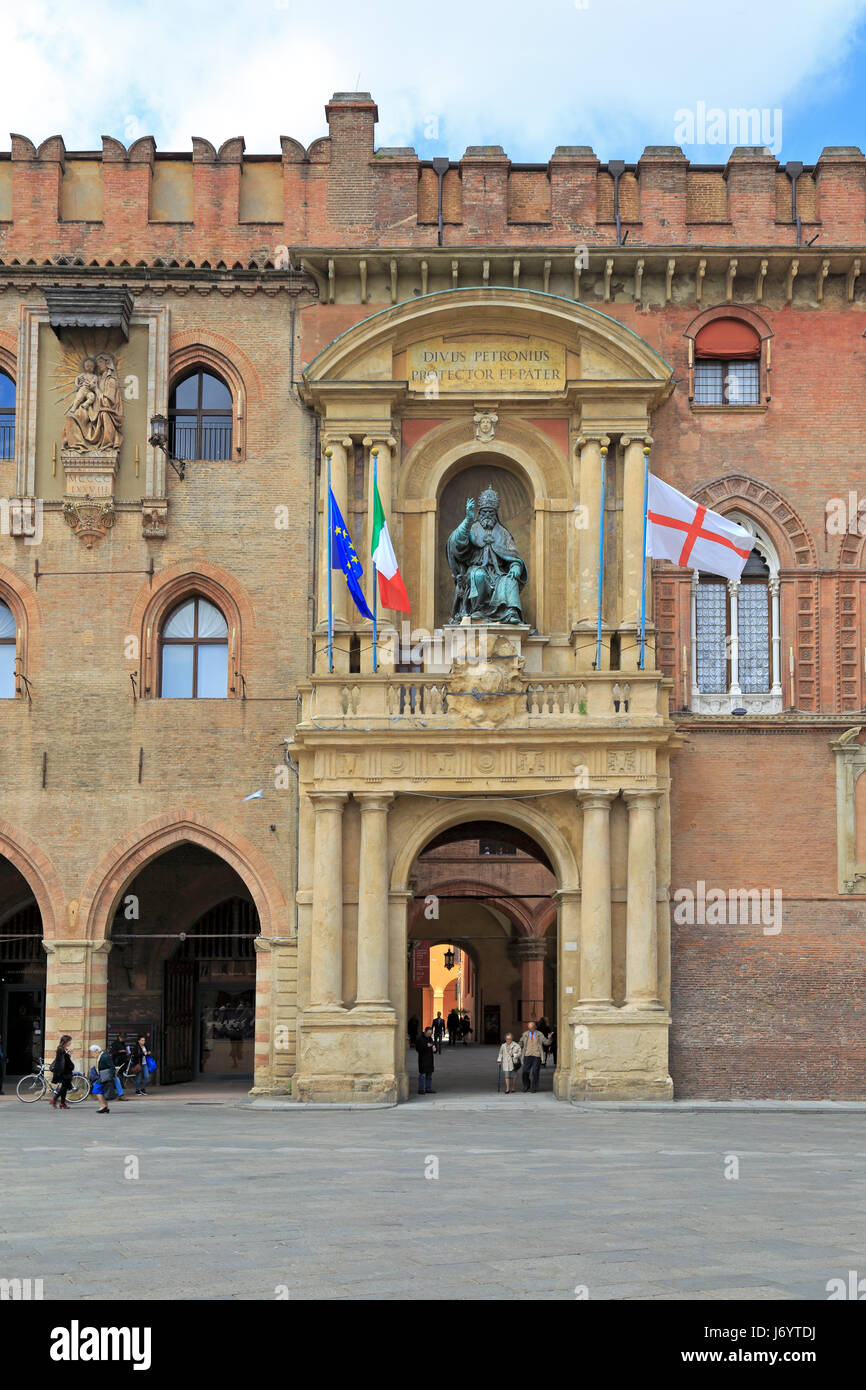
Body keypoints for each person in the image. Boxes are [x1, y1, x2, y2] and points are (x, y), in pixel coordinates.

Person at [518, 1020, 549, 1093]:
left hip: (536, 1055)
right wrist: (516, 1047)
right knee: (525, 1071)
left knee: (535, 1072)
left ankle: (534, 1087)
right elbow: (520, 1043)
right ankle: (526, 1085)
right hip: (527, 1055)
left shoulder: (539, 1034)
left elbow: (546, 1042)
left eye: (532, 1027)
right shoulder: (525, 1034)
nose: (530, 1029)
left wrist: (549, 1038)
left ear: (535, 1027)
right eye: (529, 1028)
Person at [50, 1034, 75, 1110]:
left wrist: (67, 1053)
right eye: (69, 1041)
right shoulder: (60, 1049)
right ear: (65, 1041)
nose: (70, 1042)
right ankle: (54, 1099)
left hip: (65, 1071)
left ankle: (62, 1103)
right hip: (64, 1072)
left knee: (64, 1087)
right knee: (64, 1087)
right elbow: (61, 1061)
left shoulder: (63, 1049)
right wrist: (68, 1054)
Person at [90, 1043, 113, 1114]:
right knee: (99, 1090)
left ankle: (103, 1106)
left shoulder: (104, 1056)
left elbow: (112, 1067)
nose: (92, 1055)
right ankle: (105, 1106)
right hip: (102, 1076)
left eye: (92, 1053)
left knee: (96, 1088)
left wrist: (111, 1076)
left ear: (96, 1051)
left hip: (105, 1076)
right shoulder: (101, 1056)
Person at [415, 1025, 435, 1095]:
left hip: (430, 1059)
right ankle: (421, 1089)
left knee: (429, 1075)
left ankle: (428, 1088)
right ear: (425, 1032)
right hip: (423, 1059)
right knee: (422, 1075)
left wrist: (435, 1049)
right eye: (428, 1033)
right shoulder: (420, 1039)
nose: (430, 1035)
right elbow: (418, 1049)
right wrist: (426, 1046)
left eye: (431, 1033)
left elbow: (433, 1045)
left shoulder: (430, 1039)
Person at [109, 1036, 130, 1101]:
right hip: (116, 1063)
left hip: (121, 1063)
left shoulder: (123, 1044)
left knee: (116, 1078)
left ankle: (120, 1094)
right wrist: (120, 1051)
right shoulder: (115, 1044)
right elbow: (113, 1053)